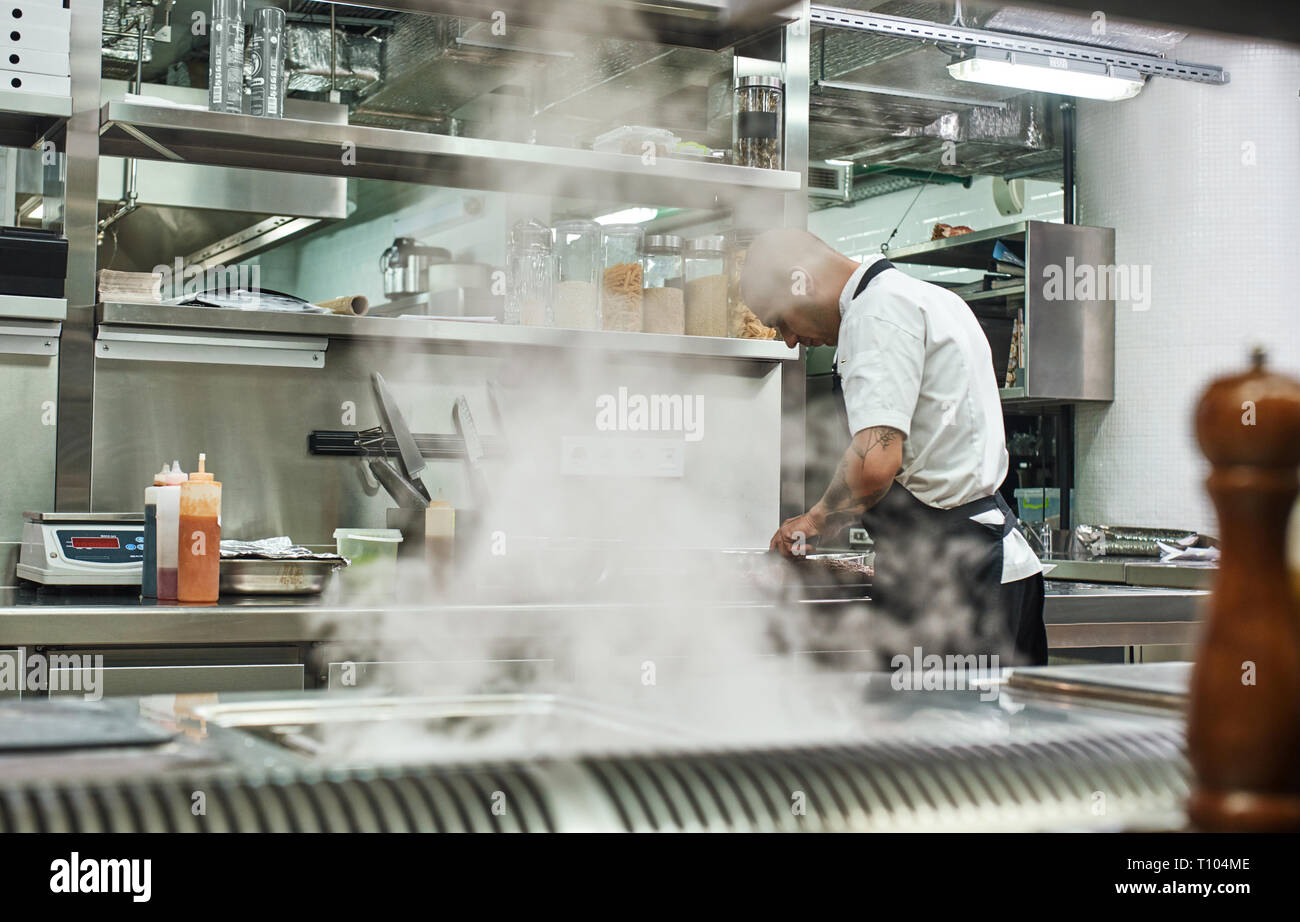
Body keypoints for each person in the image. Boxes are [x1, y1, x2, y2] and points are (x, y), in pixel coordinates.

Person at [741, 228, 1047, 665]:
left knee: (935, 730)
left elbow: (876, 461)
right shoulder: (932, 299)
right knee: (993, 730)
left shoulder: (875, 314)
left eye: (780, 320)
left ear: (799, 280)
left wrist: (816, 519)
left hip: (952, 581)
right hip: (985, 564)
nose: (788, 339)